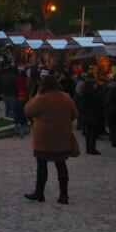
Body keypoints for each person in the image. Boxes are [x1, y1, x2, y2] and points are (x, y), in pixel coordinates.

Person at [24, 75, 78, 204]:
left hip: (43, 137)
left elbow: (28, 110)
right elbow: (75, 115)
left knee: (42, 164)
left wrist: (37, 94)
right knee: (61, 165)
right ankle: (64, 195)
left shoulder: (41, 98)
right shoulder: (66, 98)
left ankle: (39, 192)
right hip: (61, 137)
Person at [79, 73, 106, 155]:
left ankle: (88, 148)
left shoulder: (84, 93)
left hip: (85, 114)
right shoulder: (94, 94)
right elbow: (98, 103)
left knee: (88, 132)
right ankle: (92, 148)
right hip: (93, 115)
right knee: (93, 132)